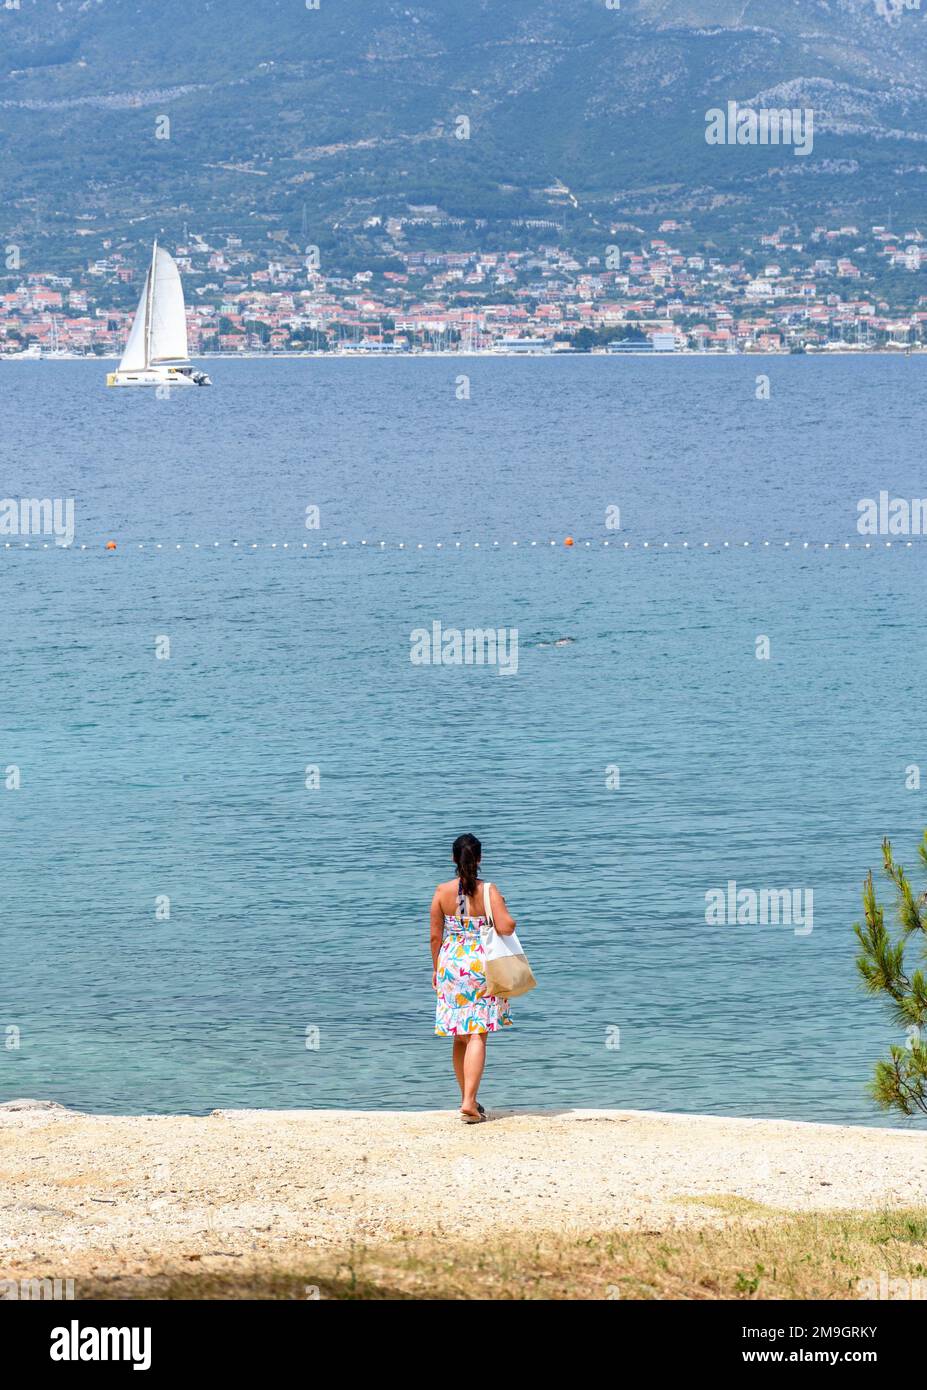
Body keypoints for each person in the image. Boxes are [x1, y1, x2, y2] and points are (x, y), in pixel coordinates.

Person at [431, 832, 516, 1123]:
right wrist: (502, 906)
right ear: (479, 859)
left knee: (460, 1034)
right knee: (478, 1032)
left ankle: (468, 1100)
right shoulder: (488, 891)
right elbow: (506, 927)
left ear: (454, 859)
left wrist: (436, 969)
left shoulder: (442, 891)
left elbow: (434, 936)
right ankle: (469, 1101)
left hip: (451, 965)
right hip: (481, 965)